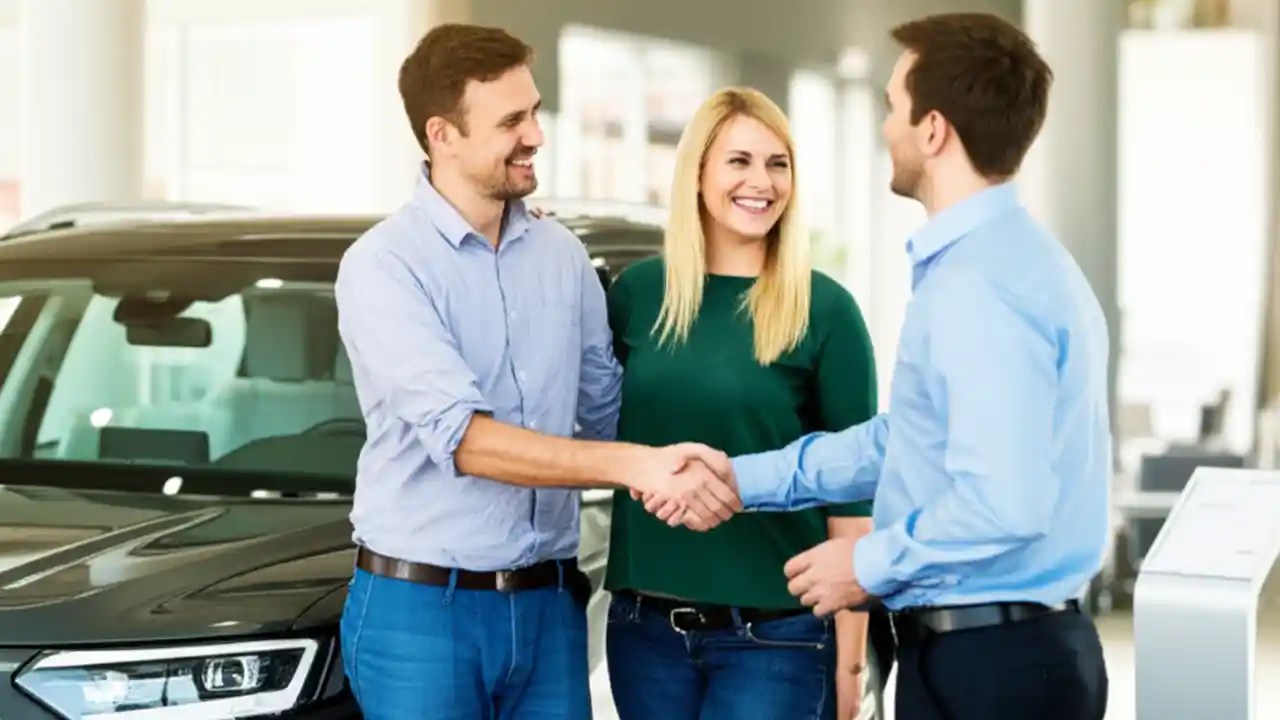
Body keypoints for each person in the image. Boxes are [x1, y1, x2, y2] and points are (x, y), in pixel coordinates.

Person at [659, 13, 1111, 720]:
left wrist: (863, 565)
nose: (884, 127)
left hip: (996, 665)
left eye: (893, 107)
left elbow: (1004, 502)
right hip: (980, 652)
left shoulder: (982, 285)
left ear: (933, 131)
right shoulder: (997, 263)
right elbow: (904, 444)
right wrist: (740, 480)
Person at [334, 23, 735, 720]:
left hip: (549, 607)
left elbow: (609, 408)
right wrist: (636, 466)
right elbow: (468, 441)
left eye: (536, 112)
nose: (537, 136)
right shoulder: (384, 266)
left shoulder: (561, 256)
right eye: (512, 120)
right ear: (443, 134)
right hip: (423, 614)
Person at [602, 86, 884, 720]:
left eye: (777, 163)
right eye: (740, 161)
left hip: (776, 637)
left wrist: (850, 664)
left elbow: (853, 495)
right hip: (644, 631)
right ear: (696, 172)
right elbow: (590, 434)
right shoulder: (638, 296)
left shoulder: (826, 310)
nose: (762, 181)